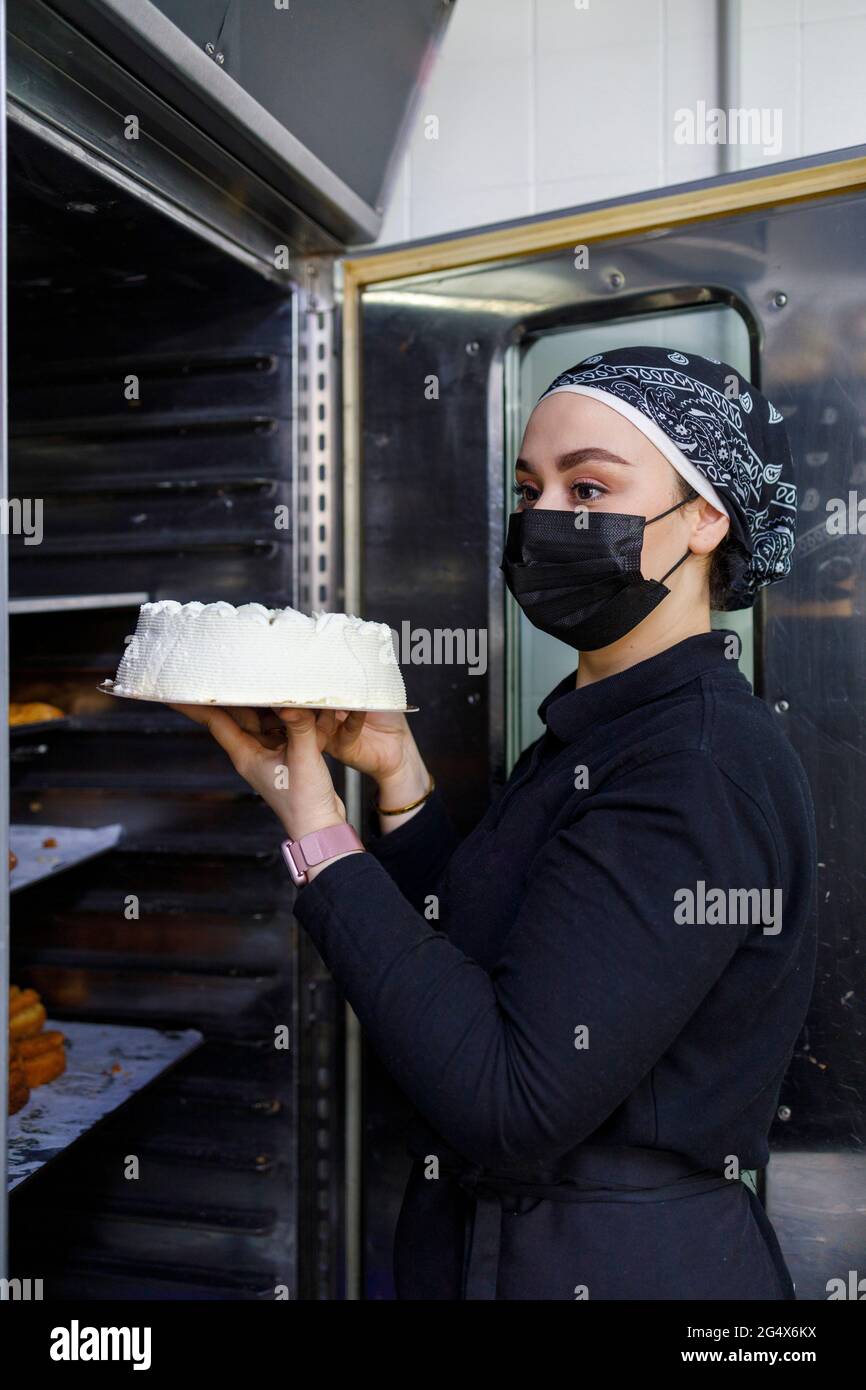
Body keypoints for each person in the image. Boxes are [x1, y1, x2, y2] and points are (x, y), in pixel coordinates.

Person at [171, 345, 817, 1300]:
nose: (548, 518)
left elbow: (511, 1097)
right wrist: (400, 784)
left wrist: (313, 823)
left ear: (707, 517)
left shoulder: (693, 766)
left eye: (590, 486)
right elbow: (481, 970)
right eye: (529, 490)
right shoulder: (605, 726)